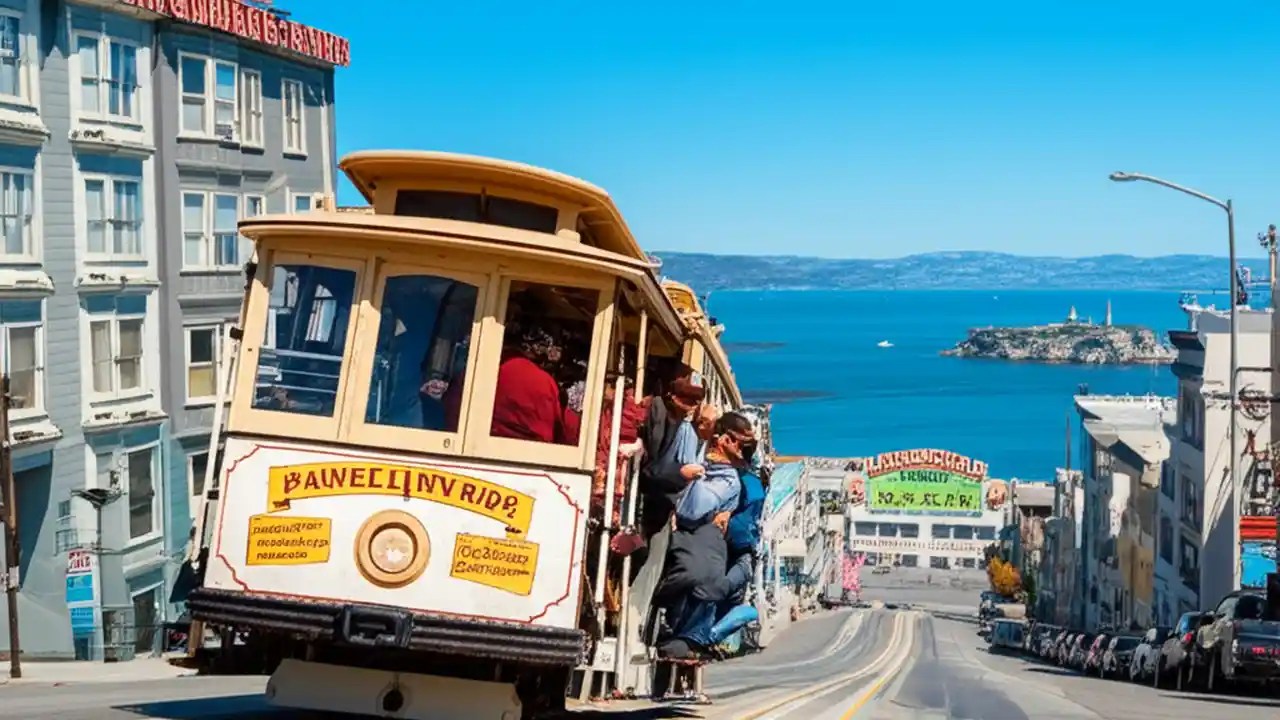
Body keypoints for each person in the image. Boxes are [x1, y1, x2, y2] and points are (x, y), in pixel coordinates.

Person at [655, 412, 757, 659]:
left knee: (706, 580)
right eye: (742, 444)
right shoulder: (696, 446)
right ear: (724, 440)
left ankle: (685, 636)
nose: (746, 451)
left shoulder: (729, 479)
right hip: (673, 528)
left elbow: (693, 510)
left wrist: (694, 476)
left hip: (698, 542)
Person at [490, 325, 564, 443]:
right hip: (531, 452)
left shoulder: (498, 369)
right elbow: (558, 430)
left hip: (491, 443)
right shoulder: (547, 382)